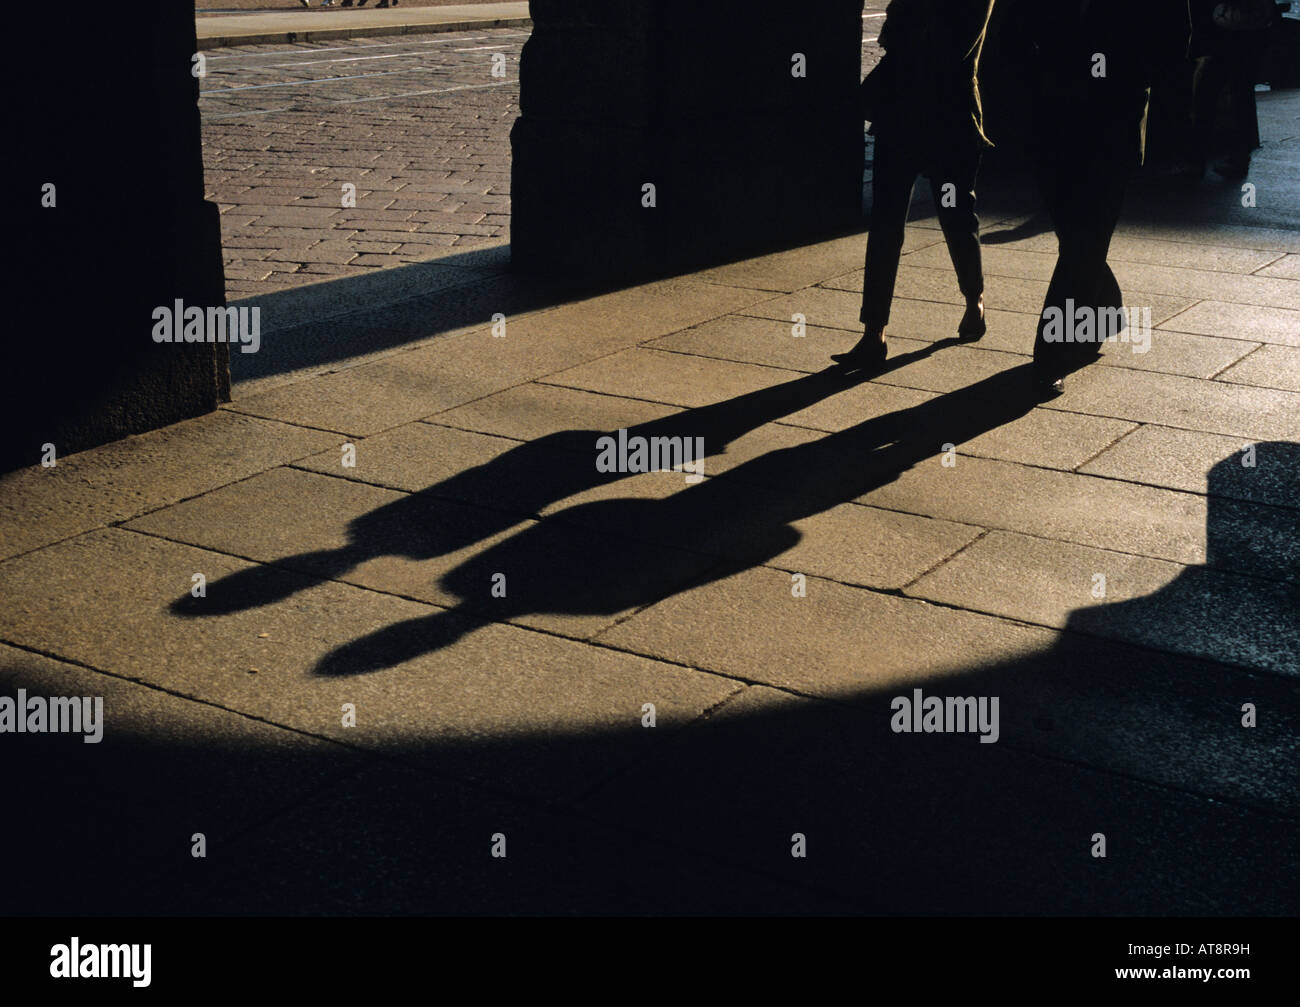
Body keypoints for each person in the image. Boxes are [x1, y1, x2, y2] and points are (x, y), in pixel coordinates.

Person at [1023, 0, 1185, 394]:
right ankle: (1106, 308)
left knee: (1083, 244)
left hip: (1112, 126)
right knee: (1079, 241)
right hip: (1052, 122)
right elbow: (1017, 29)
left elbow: (1174, 45)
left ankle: (1052, 356)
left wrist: (1125, 78)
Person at [831, 0, 996, 372]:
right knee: (886, 224)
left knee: (956, 216)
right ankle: (874, 333)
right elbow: (895, 34)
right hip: (900, 117)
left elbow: (950, 47)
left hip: (949, 116)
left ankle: (974, 298)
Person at [1186, 0, 1274, 179]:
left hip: (1228, 35)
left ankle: (1197, 159)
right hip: (1252, 33)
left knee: (1206, 95)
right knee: (1242, 97)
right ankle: (1239, 158)